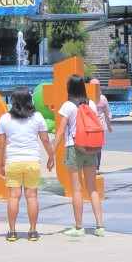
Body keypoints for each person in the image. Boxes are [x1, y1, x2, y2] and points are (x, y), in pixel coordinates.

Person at [0, 86, 55, 242]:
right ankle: (33, 231)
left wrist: (0, 164)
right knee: (32, 197)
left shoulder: (5, 118)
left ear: (13, 101)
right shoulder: (37, 117)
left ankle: (12, 231)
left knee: (13, 197)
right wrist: (51, 156)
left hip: (13, 161)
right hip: (32, 161)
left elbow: (0, 144)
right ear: (30, 100)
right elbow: (45, 140)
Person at [52, 74, 104, 237]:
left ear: (69, 88)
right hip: (91, 148)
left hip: (74, 148)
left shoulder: (68, 106)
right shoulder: (92, 104)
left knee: (77, 190)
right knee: (92, 189)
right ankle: (99, 226)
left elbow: (60, 132)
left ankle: (79, 227)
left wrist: (51, 153)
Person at [88, 78, 113, 173]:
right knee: (97, 147)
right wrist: (109, 126)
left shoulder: (88, 98)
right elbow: (107, 113)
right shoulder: (102, 98)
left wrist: (109, 125)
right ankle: (96, 167)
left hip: (91, 127)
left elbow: (107, 113)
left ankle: (94, 166)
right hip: (98, 128)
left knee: (92, 147)